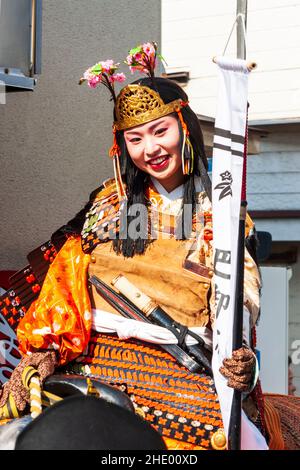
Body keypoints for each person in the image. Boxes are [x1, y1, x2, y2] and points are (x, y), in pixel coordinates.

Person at [0, 43, 263, 450]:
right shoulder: (107, 202)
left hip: (180, 372)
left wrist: (240, 352)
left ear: (185, 127)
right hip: (92, 359)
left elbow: (239, 292)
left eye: (161, 131)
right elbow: (67, 273)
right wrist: (46, 347)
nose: (150, 150)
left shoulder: (221, 213)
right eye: (135, 139)